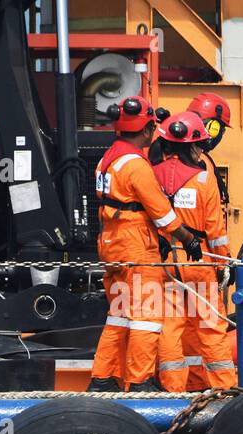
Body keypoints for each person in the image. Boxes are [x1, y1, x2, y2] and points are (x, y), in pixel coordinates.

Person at [89, 95, 203, 392]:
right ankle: (139, 382)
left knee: (118, 316)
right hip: (135, 247)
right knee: (146, 318)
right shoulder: (137, 167)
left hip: (111, 244)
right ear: (146, 129)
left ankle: (102, 378)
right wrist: (188, 240)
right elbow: (162, 214)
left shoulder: (106, 161)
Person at [150, 111, 235, 391]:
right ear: (191, 146)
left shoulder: (152, 175)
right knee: (211, 329)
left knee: (170, 329)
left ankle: (173, 391)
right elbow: (216, 230)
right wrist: (224, 265)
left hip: (164, 263)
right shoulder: (203, 180)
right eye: (198, 145)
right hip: (199, 263)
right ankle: (224, 389)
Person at [185, 92, 233, 211]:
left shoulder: (169, 155)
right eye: (220, 129)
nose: (222, 135)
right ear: (211, 128)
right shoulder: (203, 164)